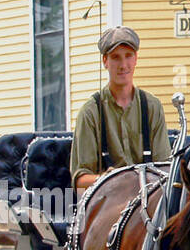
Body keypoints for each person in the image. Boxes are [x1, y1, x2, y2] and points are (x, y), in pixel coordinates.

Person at [70, 26, 172, 192]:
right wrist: (106, 179)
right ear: (105, 61)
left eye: (128, 56)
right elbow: (80, 179)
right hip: (106, 199)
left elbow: (165, 169)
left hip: (148, 199)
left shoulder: (153, 107)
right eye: (116, 57)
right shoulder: (90, 113)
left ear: (136, 59)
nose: (123, 65)